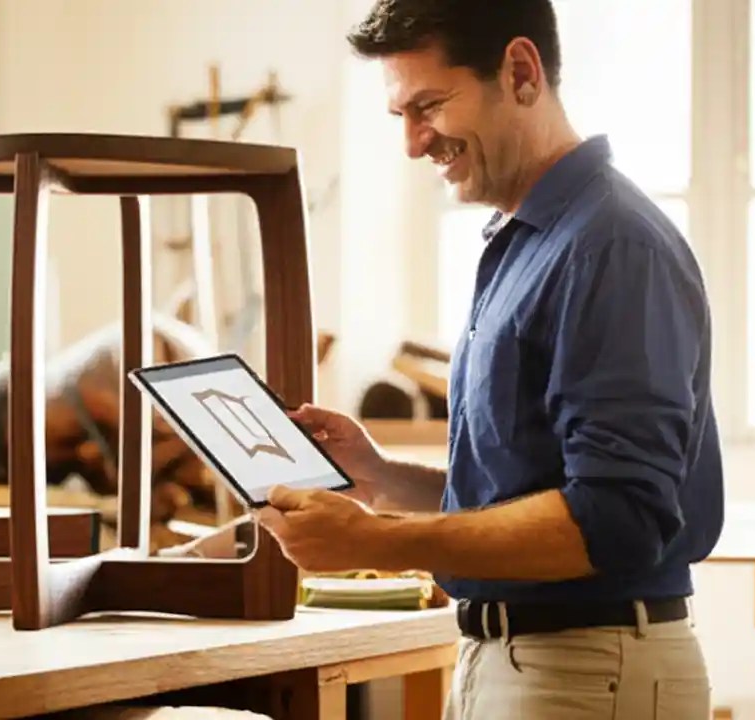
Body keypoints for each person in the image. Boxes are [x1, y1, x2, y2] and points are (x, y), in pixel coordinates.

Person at [254, 1, 725, 718]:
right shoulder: (526, 240)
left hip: (587, 672)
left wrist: (381, 541)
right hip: (517, 662)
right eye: (401, 116)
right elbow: (530, 488)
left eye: (430, 106)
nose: (415, 144)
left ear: (521, 72)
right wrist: (384, 478)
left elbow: (617, 515)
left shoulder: (611, 247)